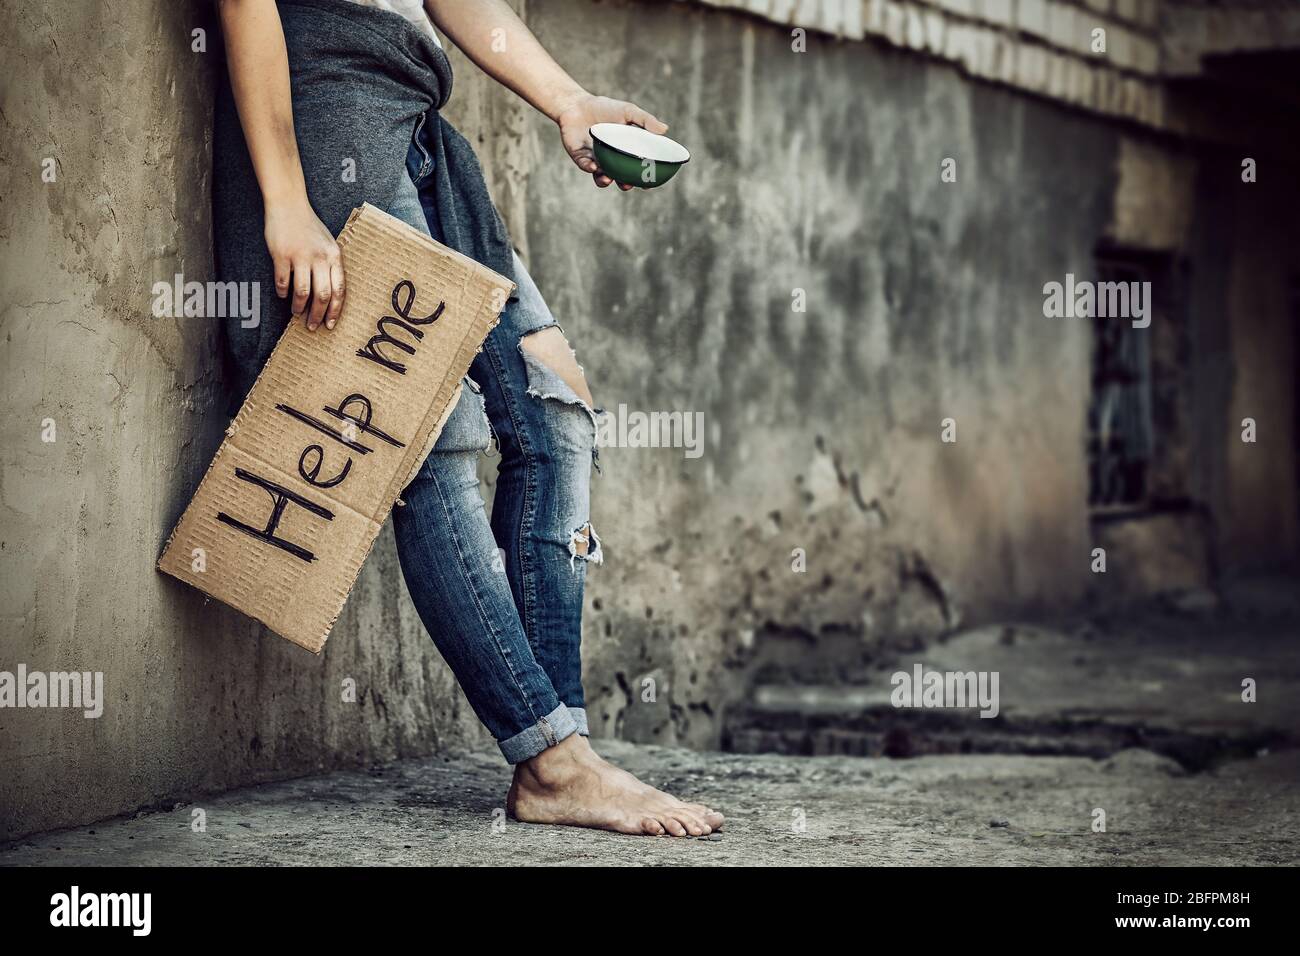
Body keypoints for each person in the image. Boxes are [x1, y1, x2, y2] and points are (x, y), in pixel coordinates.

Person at [214, 0, 723, 837]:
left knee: (555, 410)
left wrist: (567, 100)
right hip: (324, 117)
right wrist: (285, 198)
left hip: (413, 119)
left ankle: (568, 754)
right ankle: (551, 762)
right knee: (426, 434)